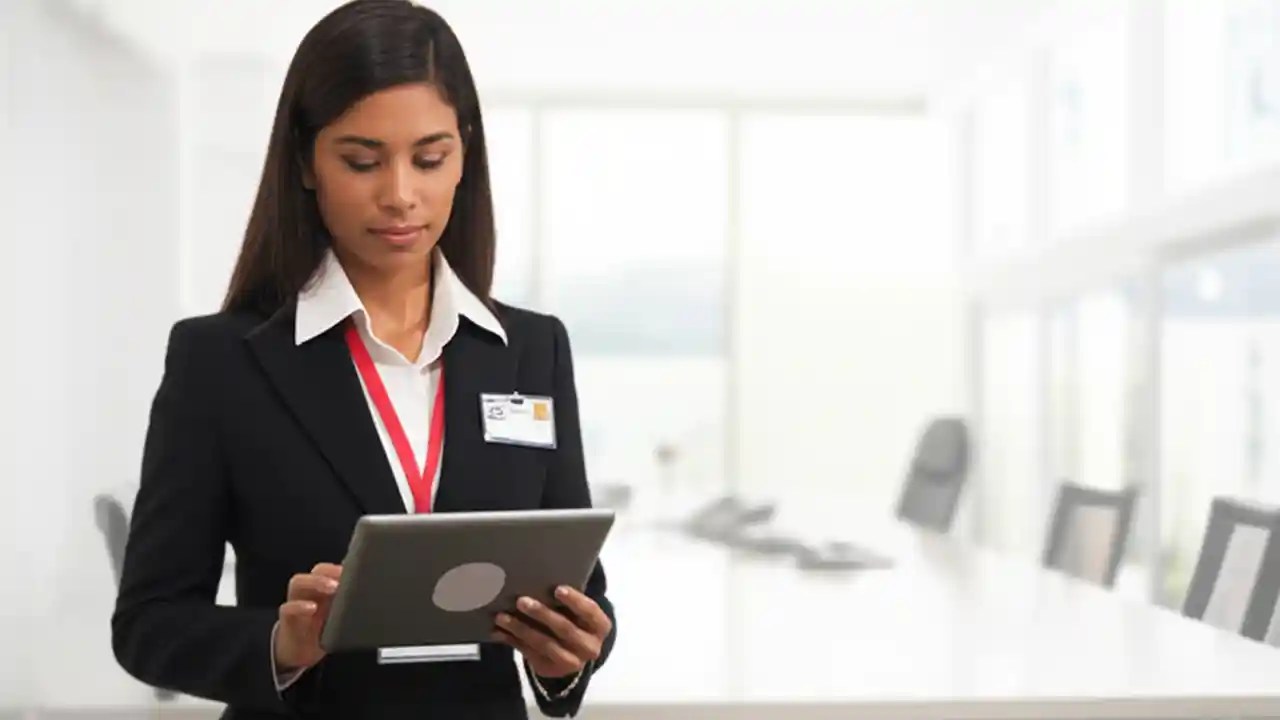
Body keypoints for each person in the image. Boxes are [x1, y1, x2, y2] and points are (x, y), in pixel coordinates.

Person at [110, 1, 616, 717]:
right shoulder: (220, 362)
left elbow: (577, 587)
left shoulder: (532, 351)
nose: (400, 195)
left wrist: (571, 655)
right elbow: (148, 625)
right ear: (307, 164)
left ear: (464, 156)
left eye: (430, 158)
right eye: (362, 161)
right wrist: (279, 645)